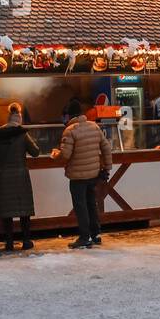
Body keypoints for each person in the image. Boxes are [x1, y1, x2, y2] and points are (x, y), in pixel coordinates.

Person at [52, 99, 112, 249]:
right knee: (92, 203)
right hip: (93, 174)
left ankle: (85, 237)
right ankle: (96, 234)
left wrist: (55, 154)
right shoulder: (94, 126)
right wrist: (107, 167)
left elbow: (65, 155)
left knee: (81, 206)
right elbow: (106, 147)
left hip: (78, 176)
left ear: (69, 115)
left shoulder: (70, 130)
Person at [0, 103, 40, 252]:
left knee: (7, 211)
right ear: (19, 119)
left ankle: (9, 242)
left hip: (4, 175)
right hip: (20, 175)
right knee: (23, 209)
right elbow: (35, 152)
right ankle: (26, 241)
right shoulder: (23, 134)